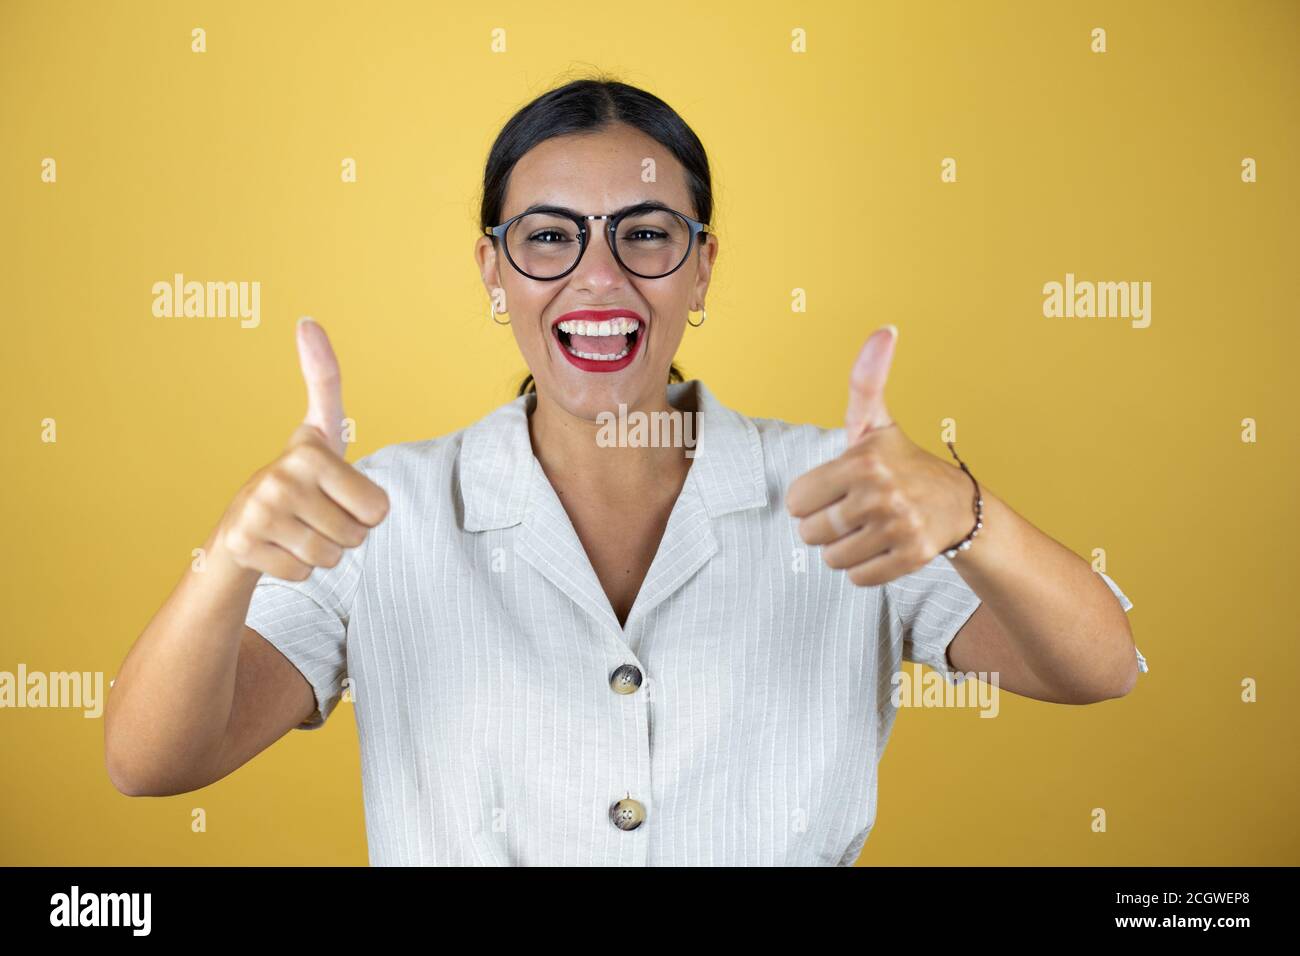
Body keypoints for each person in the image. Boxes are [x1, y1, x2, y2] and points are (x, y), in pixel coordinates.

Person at [105, 75, 1146, 866]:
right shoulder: (380, 512)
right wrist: (232, 557)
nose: (597, 278)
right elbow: (151, 762)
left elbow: (1097, 667)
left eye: (645, 234)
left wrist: (969, 512)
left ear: (701, 267)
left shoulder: (842, 492)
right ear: (492, 269)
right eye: (548, 237)